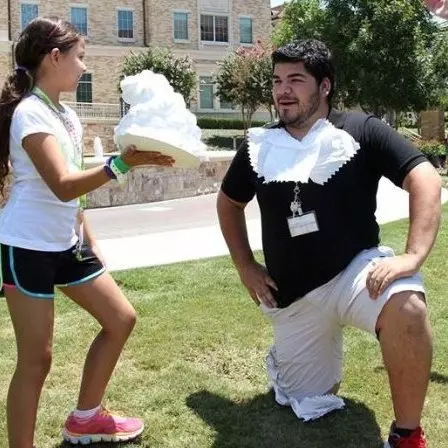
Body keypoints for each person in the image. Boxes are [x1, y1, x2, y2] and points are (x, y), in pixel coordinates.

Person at [217, 40, 441, 448]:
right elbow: (229, 203)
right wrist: (245, 265)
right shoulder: (258, 146)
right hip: (294, 294)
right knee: (306, 398)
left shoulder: (360, 129)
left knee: (406, 303)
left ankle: (407, 434)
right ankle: (288, 367)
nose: (283, 90)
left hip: (355, 274)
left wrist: (413, 255)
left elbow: (424, 178)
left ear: (324, 86)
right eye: (277, 81)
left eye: (296, 80)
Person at [0, 17, 174, 447]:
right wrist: (121, 164)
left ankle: (86, 418)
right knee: (36, 361)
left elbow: (73, 190)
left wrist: (88, 238)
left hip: (67, 244)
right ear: (53, 58)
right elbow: (62, 183)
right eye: (79, 58)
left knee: (120, 318)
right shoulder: (30, 114)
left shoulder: (67, 115)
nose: (82, 67)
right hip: (26, 246)